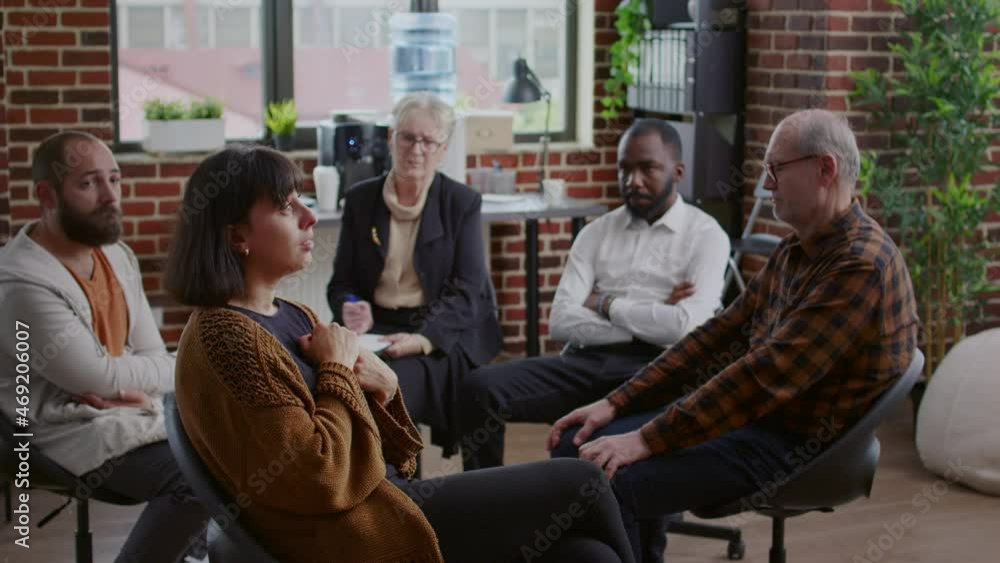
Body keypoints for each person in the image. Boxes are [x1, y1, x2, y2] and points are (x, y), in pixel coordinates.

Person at [164, 144, 637, 563]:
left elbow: (396, 456)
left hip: (383, 498)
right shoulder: (228, 338)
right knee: (584, 481)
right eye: (287, 208)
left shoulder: (294, 315)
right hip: (353, 534)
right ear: (237, 236)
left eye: (302, 201)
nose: (309, 217)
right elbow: (320, 478)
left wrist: (387, 387)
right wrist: (336, 369)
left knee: (587, 555)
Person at [548, 109, 920, 563]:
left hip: (793, 444)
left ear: (825, 169)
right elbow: (719, 336)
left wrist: (643, 439)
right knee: (575, 446)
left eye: (776, 169)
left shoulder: (859, 267)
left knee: (601, 480)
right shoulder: (798, 248)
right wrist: (617, 403)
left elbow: (761, 378)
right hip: (758, 419)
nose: (766, 184)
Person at [460, 119, 731, 470]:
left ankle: (604, 504)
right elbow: (561, 321)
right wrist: (653, 313)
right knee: (479, 388)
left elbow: (684, 327)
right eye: (624, 169)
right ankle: (483, 498)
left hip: (658, 369)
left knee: (575, 445)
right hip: (584, 362)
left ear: (677, 172)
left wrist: (604, 303)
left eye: (647, 168)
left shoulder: (706, 236)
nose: (632, 181)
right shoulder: (596, 233)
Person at [0, 131, 208, 563]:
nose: (110, 196)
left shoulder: (117, 256)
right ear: (47, 195)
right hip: (57, 429)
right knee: (194, 477)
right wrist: (148, 375)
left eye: (114, 179)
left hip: (125, 409)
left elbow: (151, 356)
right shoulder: (21, 279)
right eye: (89, 183)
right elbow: (99, 377)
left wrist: (134, 382)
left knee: (230, 446)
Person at [326, 92, 502, 458]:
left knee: (391, 390)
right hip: (379, 327)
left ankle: (409, 486)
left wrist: (422, 339)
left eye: (428, 141)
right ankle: (394, 486)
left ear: (443, 149)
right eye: (407, 137)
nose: (416, 150)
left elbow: (468, 291)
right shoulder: (360, 200)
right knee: (349, 386)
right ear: (392, 139)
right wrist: (351, 305)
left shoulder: (461, 202)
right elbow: (342, 284)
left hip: (441, 329)